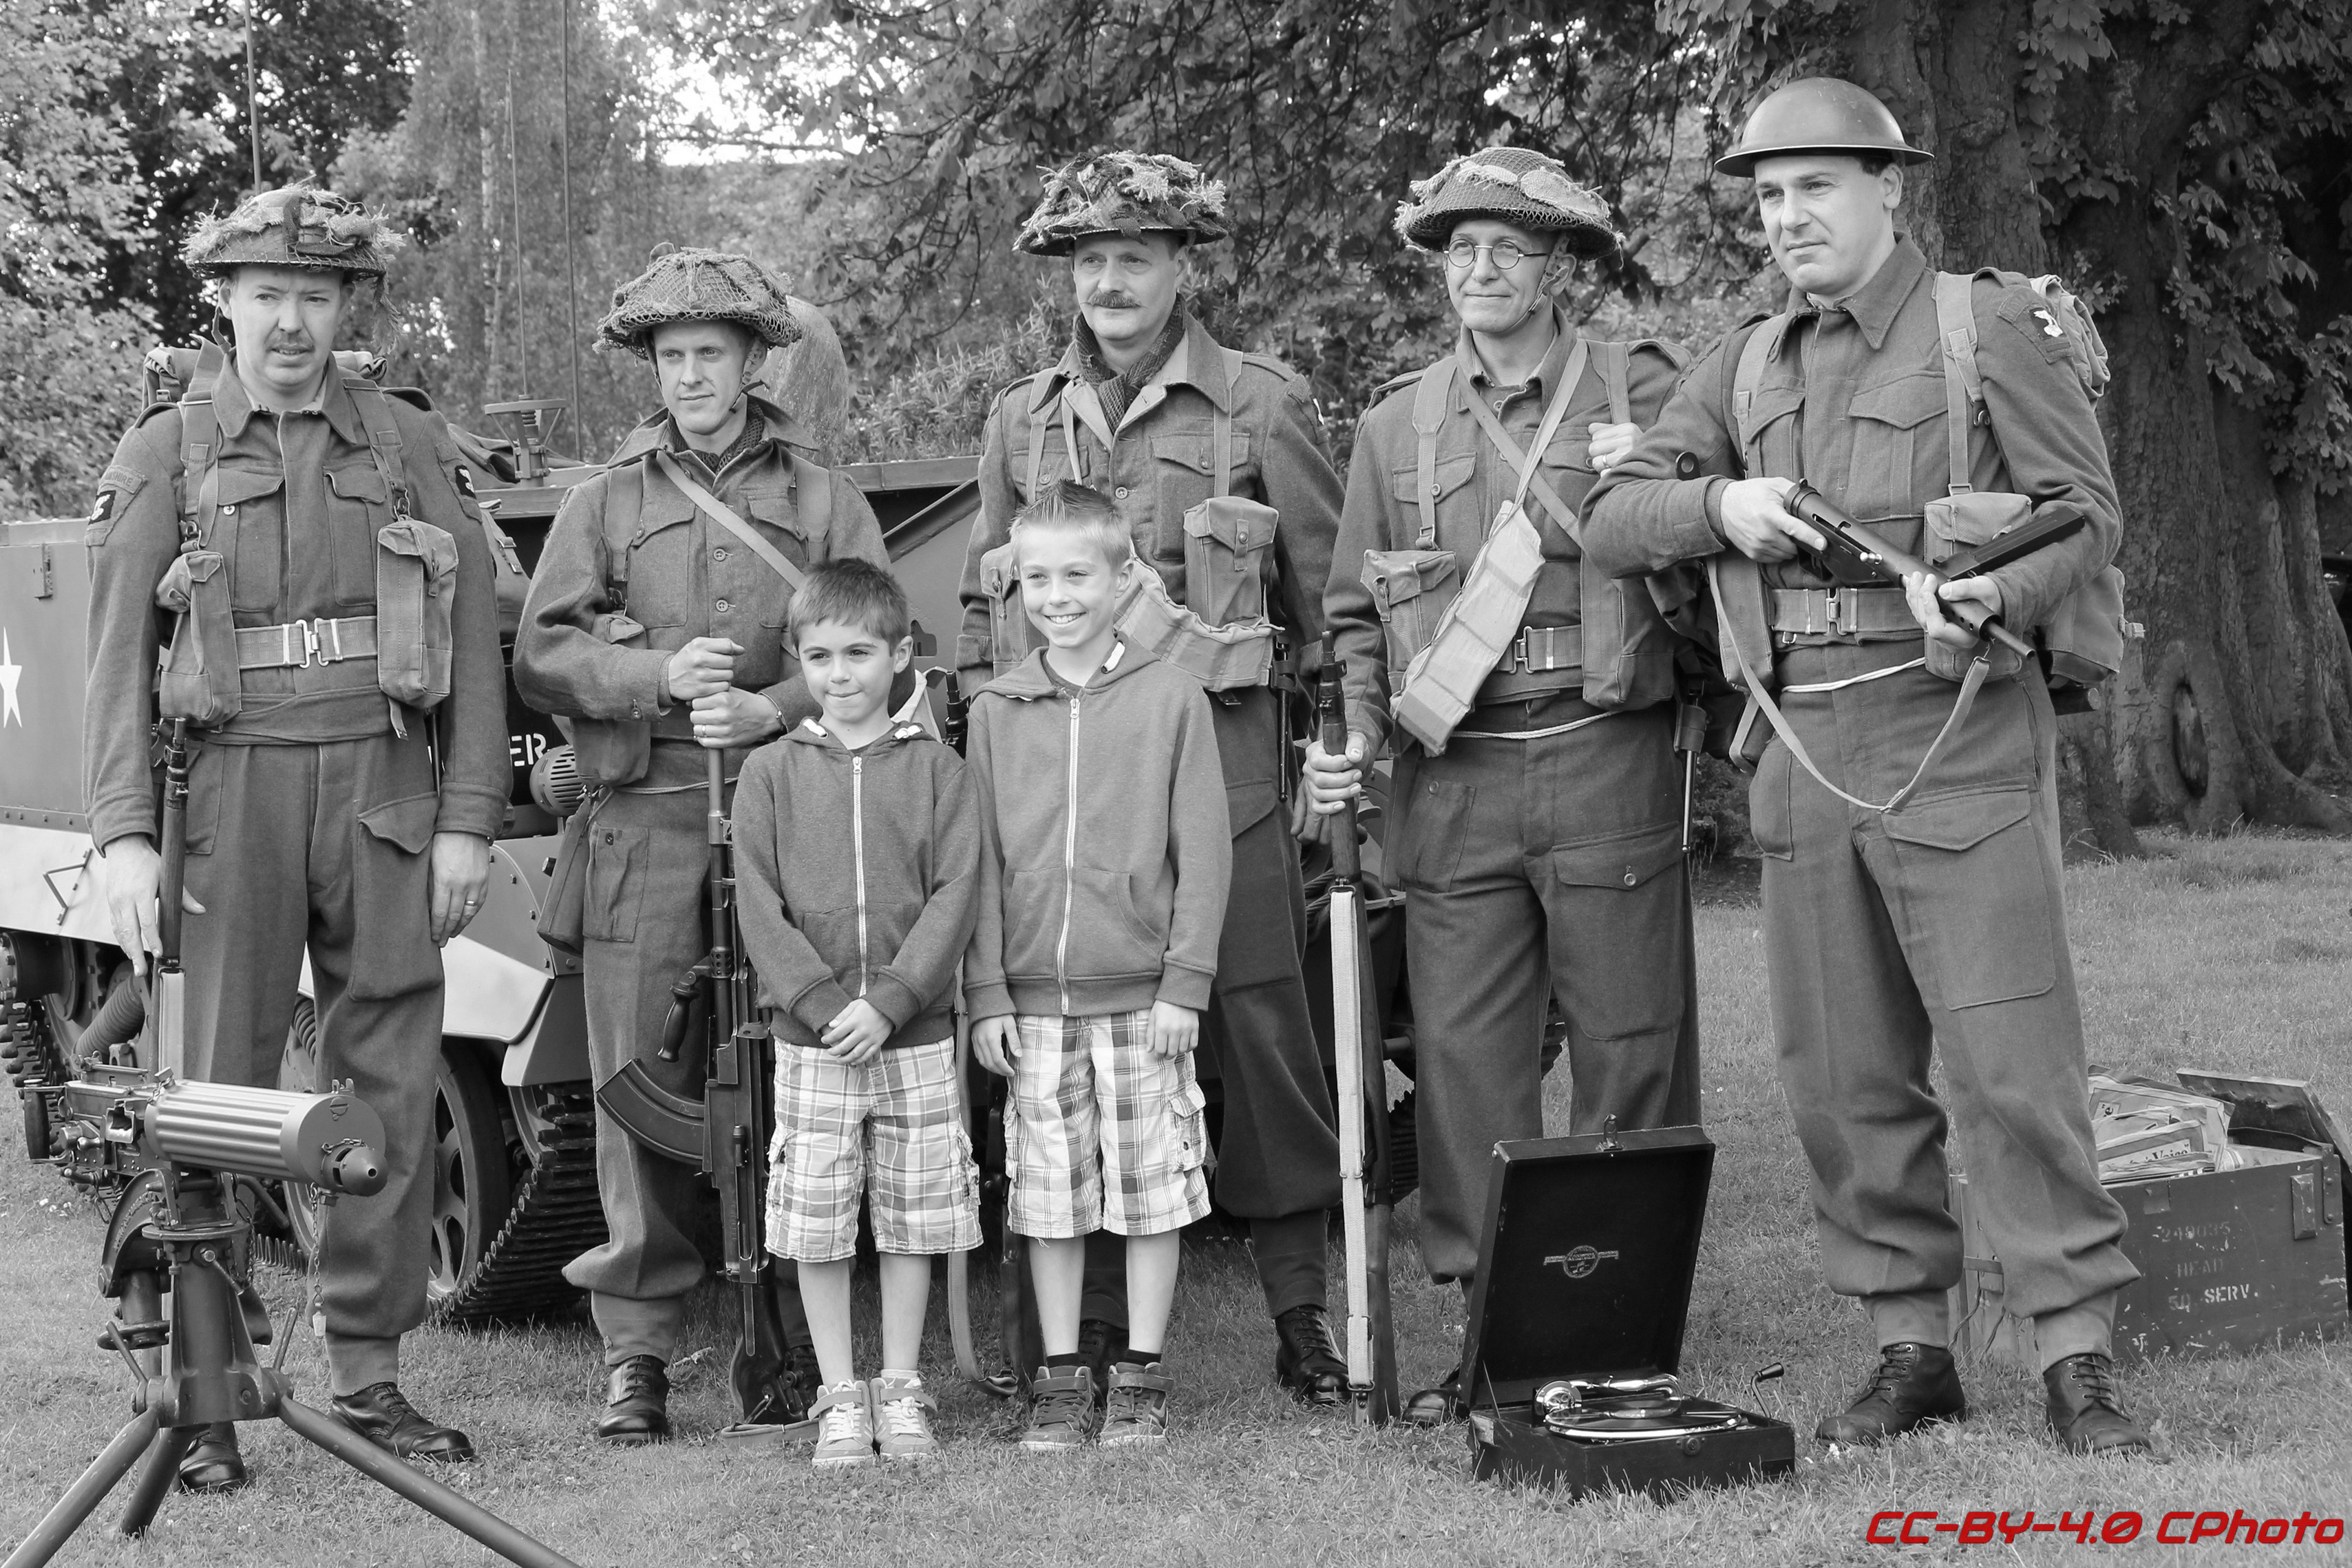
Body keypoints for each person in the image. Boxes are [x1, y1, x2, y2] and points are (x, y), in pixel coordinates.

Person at [1582, 77, 2148, 1456]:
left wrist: (1993, 598)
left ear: (1885, 189)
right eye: (1768, 197)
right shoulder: (1742, 363)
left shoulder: (1984, 325)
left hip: (1950, 723)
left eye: (1814, 188)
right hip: (1799, 746)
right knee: (1840, 1076)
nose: (1786, 218)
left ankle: (2072, 1352)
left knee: (2008, 1056)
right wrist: (1718, 501)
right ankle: (1909, 1344)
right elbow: (1607, 517)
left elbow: (2084, 513)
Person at [86, 186, 509, 1486]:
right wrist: (123, 838)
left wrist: (468, 818)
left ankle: (369, 1375)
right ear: (223, 302)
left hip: (383, 787)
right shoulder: (169, 446)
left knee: (385, 1083)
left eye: (315, 295)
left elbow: (477, 634)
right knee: (215, 1093)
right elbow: (118, 657)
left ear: (346, 309)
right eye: (265, 293)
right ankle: (206, 1389)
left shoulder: (401, 440)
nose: (289, 319)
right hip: (230, 798)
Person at [1302, 147, 1703, 1423]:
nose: (1477, 271)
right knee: (1470, 1060)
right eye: (1460, 250)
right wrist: (1358, 731)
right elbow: (1354, 612)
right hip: (1453, 771)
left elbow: (1701, 553)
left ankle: (1618, 1324)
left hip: (1605, 749)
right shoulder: (1393, 422)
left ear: (1558, 267)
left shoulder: (1646, 390)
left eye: (1506, 250)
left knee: (1630, 1045)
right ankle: (1491, 1328)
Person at [955, 150, 1350, 1406]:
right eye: (1088, 259)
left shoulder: (1257, 406)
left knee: (1263, 1036)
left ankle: (1301, 1314)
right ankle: (1087, 1338)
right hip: (1061, 786)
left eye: (1134, 255)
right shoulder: (1022, 420)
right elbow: (986, 604)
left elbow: (1328, 602)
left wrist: (1346, 743)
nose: (1109, 281)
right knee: (1065, 1041)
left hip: (1224, 770)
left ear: (1185, 265)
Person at [513, 247, 892, 1443]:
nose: (690, 376)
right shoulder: (603, 502)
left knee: (790, 1084)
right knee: (643, 1090)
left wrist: (776, 710)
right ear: (653, 368)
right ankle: (636, 1350)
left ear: (750, 363)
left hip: (789, 816)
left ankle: (781, 1325)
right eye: (671, 358)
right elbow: (541, 652)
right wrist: (652, 676)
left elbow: (890, 634)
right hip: (643, 819)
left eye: (710, 356)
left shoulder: (822, 494)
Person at [964, 481, 1232, 1450]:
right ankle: (1064, 1374)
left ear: (1124, 579)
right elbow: (978, 864)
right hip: (1032, 1006)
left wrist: (1184, 983)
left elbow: (1204, 853)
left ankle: (1144, 1373)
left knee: (1152, 1190)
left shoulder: (1170, 698)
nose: (1058, 594)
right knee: (1050, 1196)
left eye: (1077, 573)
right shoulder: (994, 709)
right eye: (1037, 577)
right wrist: (987, 990)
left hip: (1141, 1003)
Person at [732, 560, 982, 1468]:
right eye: (821, 656)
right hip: (815, 1042)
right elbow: (758, 903)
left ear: (900, 654)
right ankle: (842, 1393)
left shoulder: (938, 771)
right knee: (819, 1219)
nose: (841, 675)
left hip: (912, 1035)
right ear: (801, 662)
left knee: (913, 1217)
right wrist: (827, 1006)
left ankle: (902, 1385)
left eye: (860, 653)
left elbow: (957, 890)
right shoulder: (767, 775)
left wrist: (893, 1001)